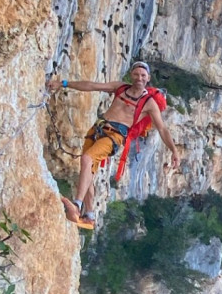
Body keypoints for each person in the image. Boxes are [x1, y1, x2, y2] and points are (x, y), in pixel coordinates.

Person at [47, 60, 181, 228]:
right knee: (88, 170)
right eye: (136, 74)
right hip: (98, 129)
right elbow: (92, 86)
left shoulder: (149, 103)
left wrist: (174, 151)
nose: (139, 78)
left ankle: (77, 205)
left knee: (87, 159)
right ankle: (89, 216)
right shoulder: (121, 88)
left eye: (143, 75)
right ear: (131, 75)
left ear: (148, 78)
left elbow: (162, 129)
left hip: (115, 137)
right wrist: (63, 83)